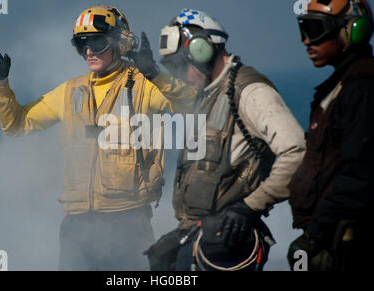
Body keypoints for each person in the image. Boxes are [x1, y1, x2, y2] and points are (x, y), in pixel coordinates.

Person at [0, 4, 194, 270]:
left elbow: (193, 105)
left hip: (128, 224)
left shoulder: (145, 85)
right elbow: (16, 125)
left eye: (97, 42)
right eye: (81, 45)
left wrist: (155, 75)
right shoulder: (70, 91)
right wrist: (0, 83)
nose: (89, 52)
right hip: (76, 228)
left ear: (122, 42)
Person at [129, 9, 306, 271]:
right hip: (202, 237)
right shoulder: (208, 94)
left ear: (202, 50)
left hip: (228, 245)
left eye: (180, 65)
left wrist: (249, 208)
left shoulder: (249, 91)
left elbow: (297, 152)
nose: (179, 74)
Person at [287, 0, 374, 271]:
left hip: (348, 244)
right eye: (302, 30)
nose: (306, 41)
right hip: (331, 238)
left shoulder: (363, 88)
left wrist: (313, 236)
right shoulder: (342, 86)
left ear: (351, 30)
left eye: (315, 30)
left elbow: (358, 175)